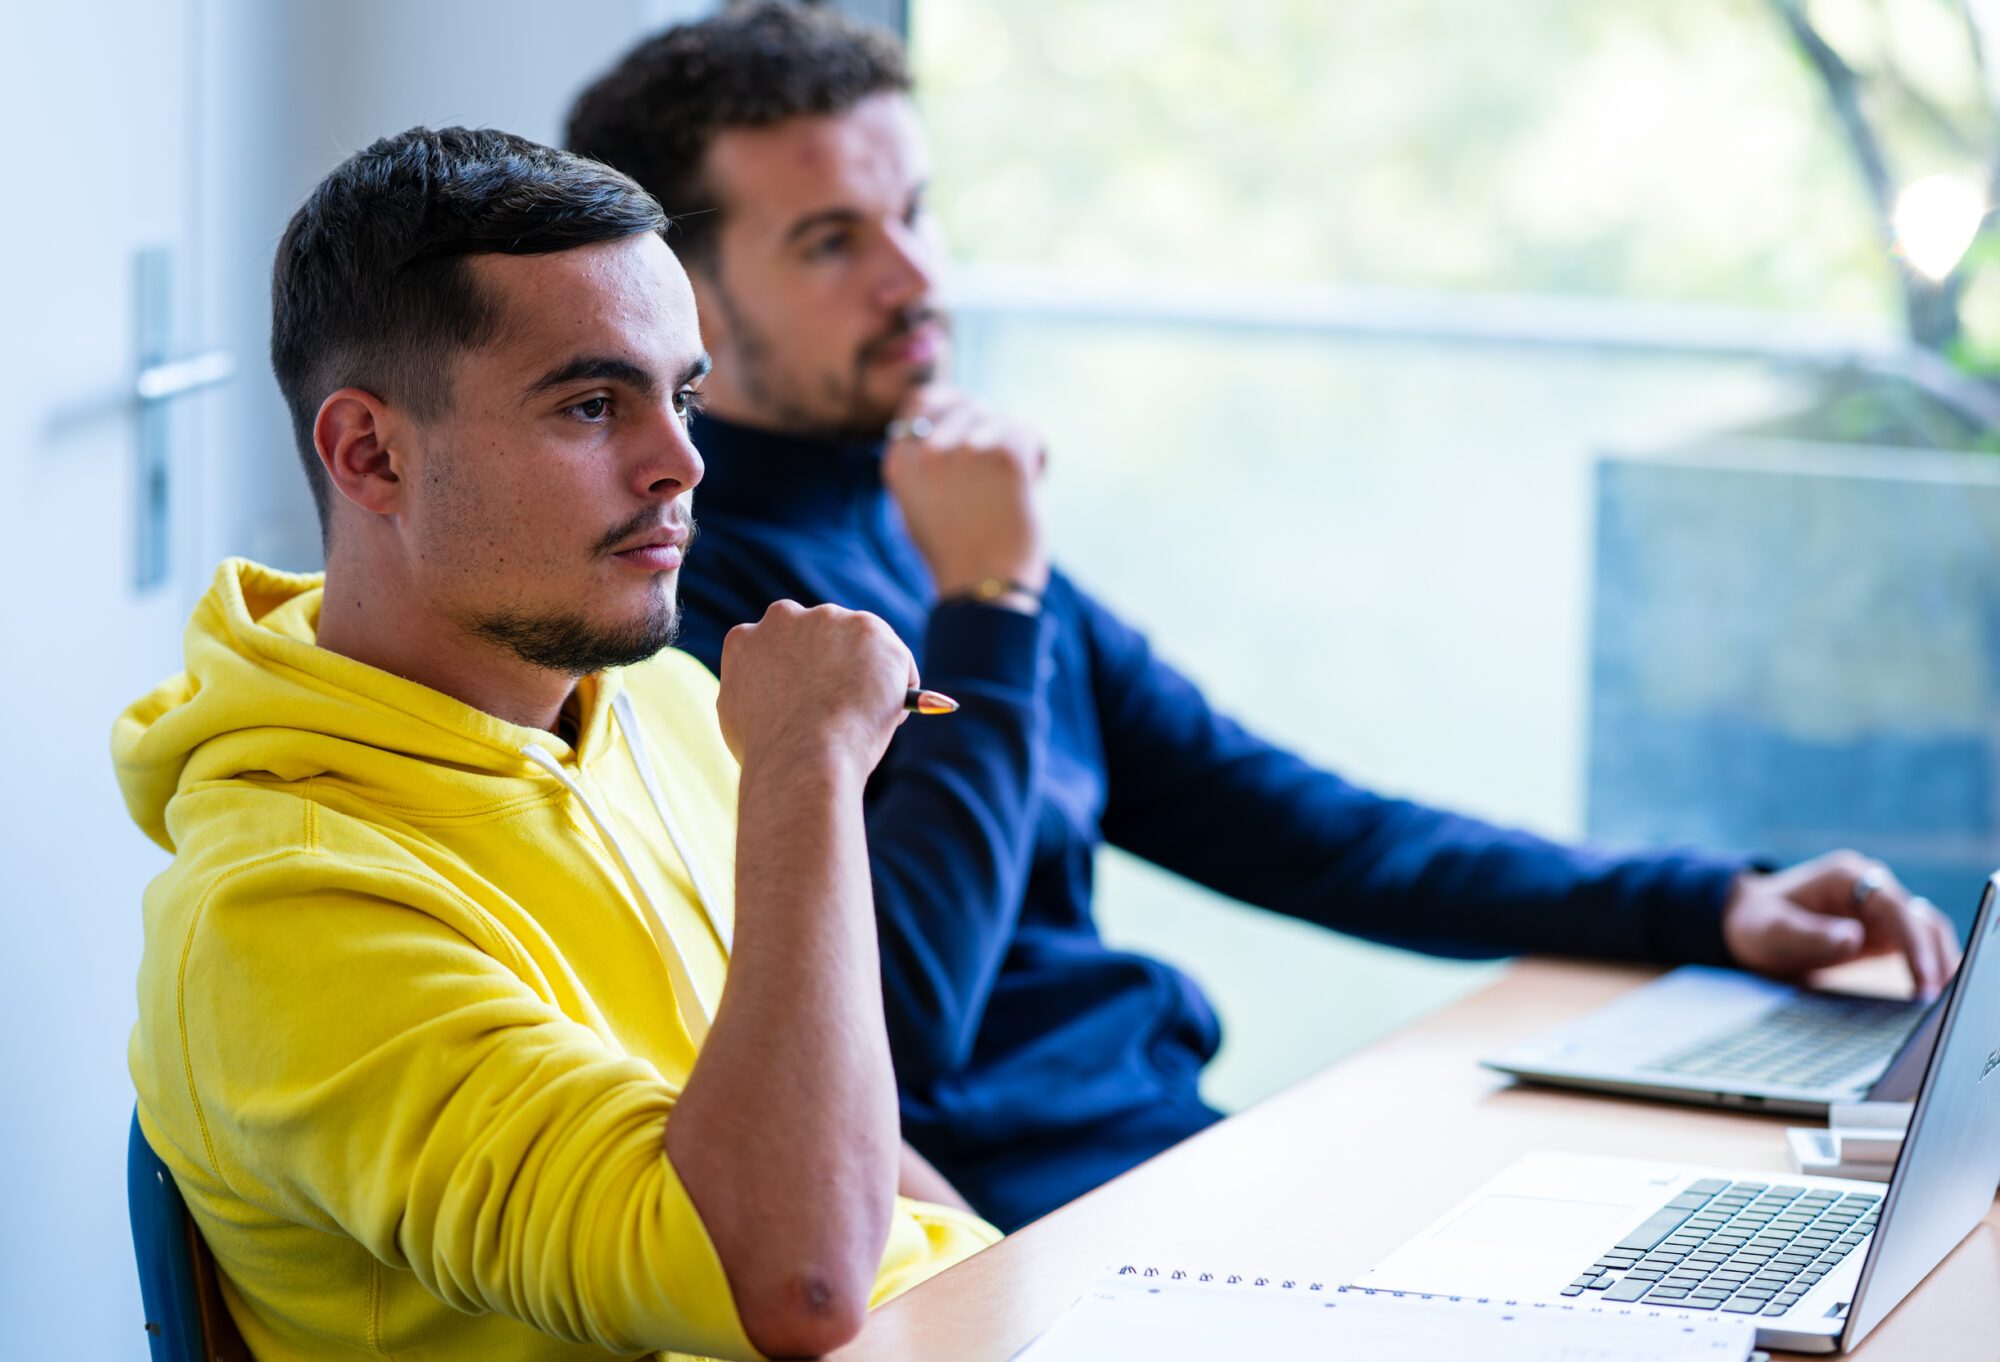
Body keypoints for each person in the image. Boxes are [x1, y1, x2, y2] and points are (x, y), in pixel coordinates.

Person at [565, 3, 1964, 1235]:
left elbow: (1309, 828)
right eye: (831, 243)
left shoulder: (931, 516)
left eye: (915, 213)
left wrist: (1710, 901)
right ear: (684, 297)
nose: (916, 278)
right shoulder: (692, 607)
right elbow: (900, 1025)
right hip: (1012, 1231)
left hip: (1177, 1160)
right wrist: (988, 604)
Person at [116, 126, 994, 1362]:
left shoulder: (664, 702)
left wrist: (1022, 1284)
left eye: (681, 396)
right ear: (371, 454)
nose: (681, 463)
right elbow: (788, 1284)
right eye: (591, 405)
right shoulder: (277, 918)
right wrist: (806, 770)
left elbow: (838, 1131)